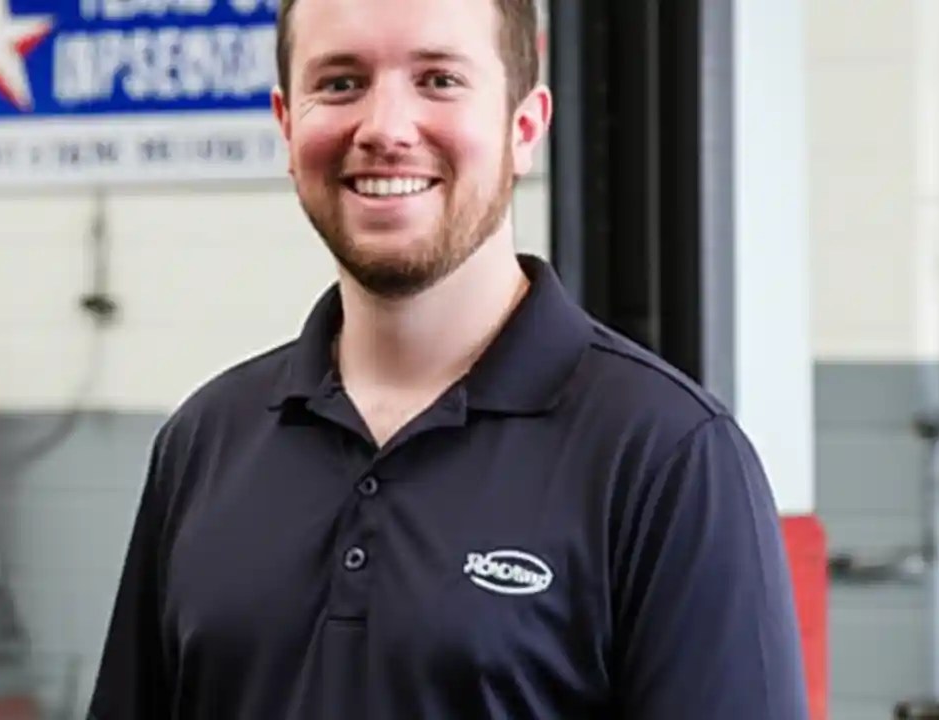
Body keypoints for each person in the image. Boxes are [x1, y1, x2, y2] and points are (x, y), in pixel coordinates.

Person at [87, 0, 811, 717]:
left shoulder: (667, 458)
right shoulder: (206, 442)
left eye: (438, 80)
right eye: (340, 83)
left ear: (523, 128)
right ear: (286, 124)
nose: (384, 128)